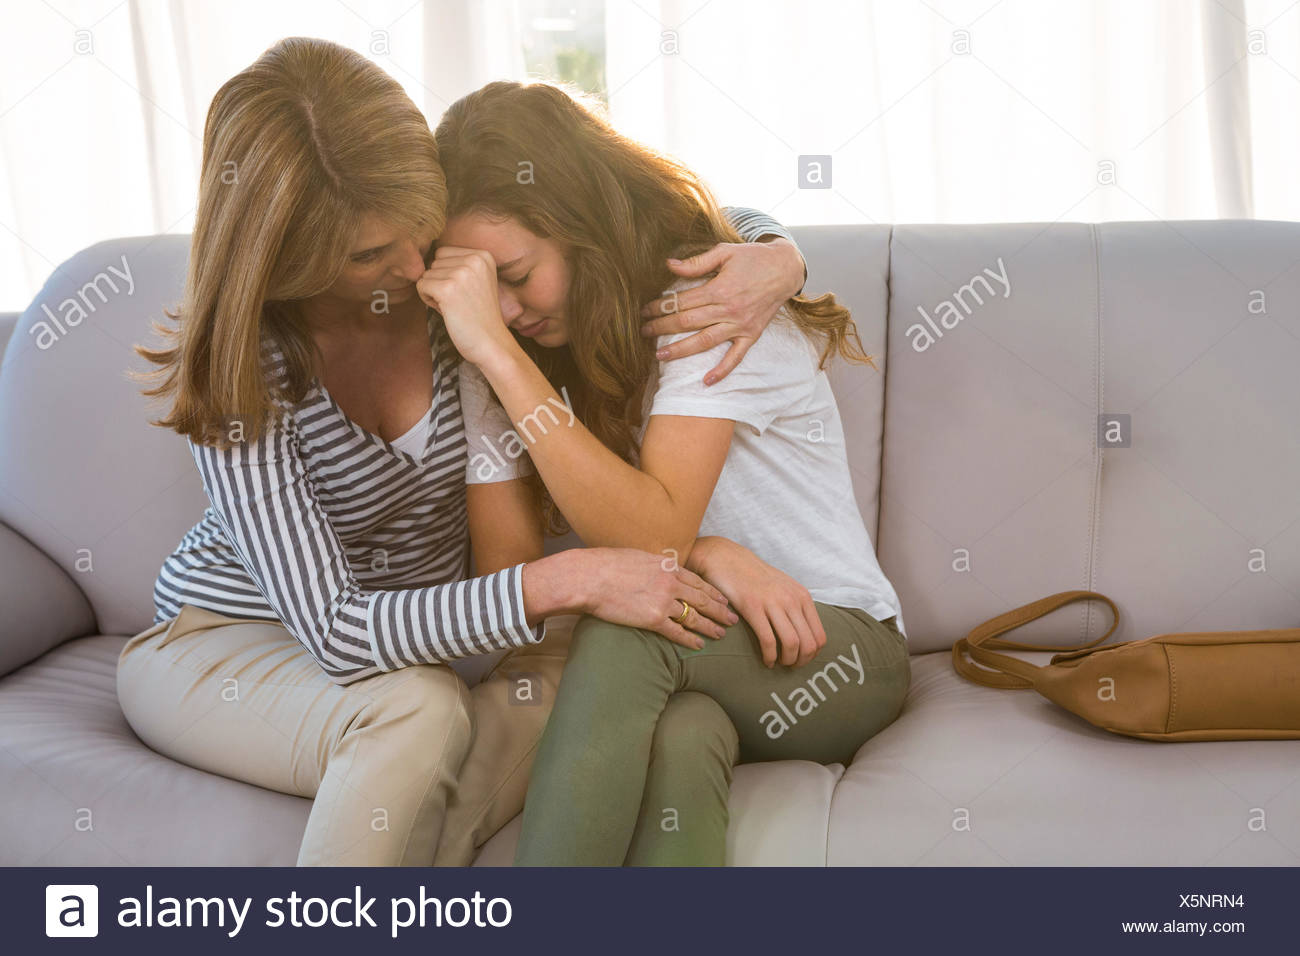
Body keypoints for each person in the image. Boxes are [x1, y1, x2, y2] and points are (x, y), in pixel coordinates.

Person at [118, 37, 808, 866]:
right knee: (418, 711)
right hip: (230, 643)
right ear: (285, 255)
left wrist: (776, 256)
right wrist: (576, 575)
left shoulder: (469, 304)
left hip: (428, 658)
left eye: (417, 228)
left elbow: (619, 207)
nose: (414, 268)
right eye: (369, 256)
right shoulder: (250, 365)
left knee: (586, 671)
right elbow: (337, 636)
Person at [420, 80, 912, 866]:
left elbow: (654, 535)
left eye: (515, 275)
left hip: (838, 647)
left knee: (630, 629)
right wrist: (711, 556)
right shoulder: (504, 354)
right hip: (718, 656)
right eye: (483, 296)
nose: (503, 313)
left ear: (579, 227)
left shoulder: (707, 310)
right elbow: (513, 584)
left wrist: (503, 362)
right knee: (684, 735)